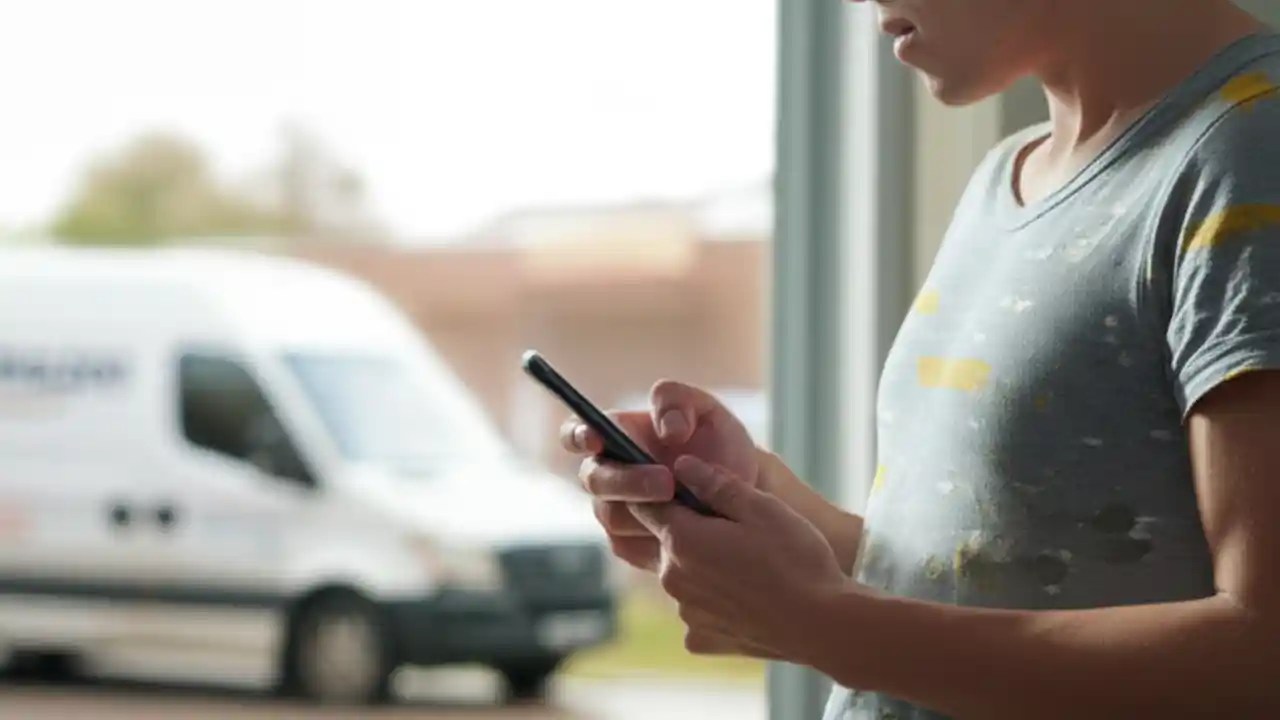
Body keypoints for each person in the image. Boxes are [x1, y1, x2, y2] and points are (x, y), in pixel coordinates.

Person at [561, 0, 1280, 717]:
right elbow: (991, 584)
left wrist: (821, 623)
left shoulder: (1256, 149)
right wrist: (763, 521)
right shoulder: (1009, 173)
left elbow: (1262, 654)